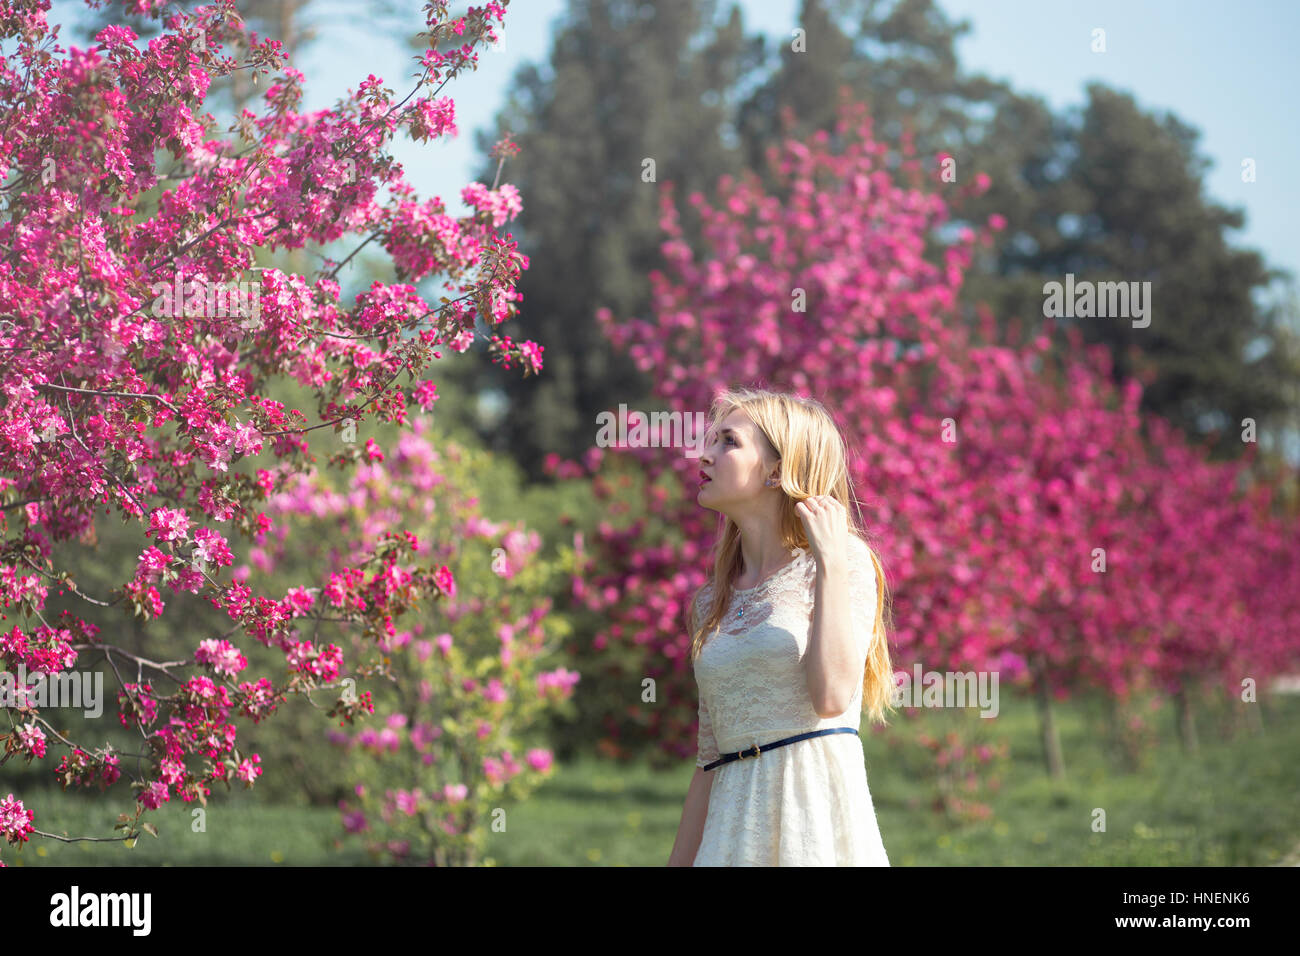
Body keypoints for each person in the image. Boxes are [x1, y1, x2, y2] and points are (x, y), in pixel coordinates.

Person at [667, 386, 894, 866]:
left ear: (776, 469)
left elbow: (831, 698)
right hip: (730, 833)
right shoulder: (710, 601)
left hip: (812, 822)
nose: (702, 455)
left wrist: (830, 561)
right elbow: (709, 758)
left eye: (727, 442)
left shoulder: (843, 563)